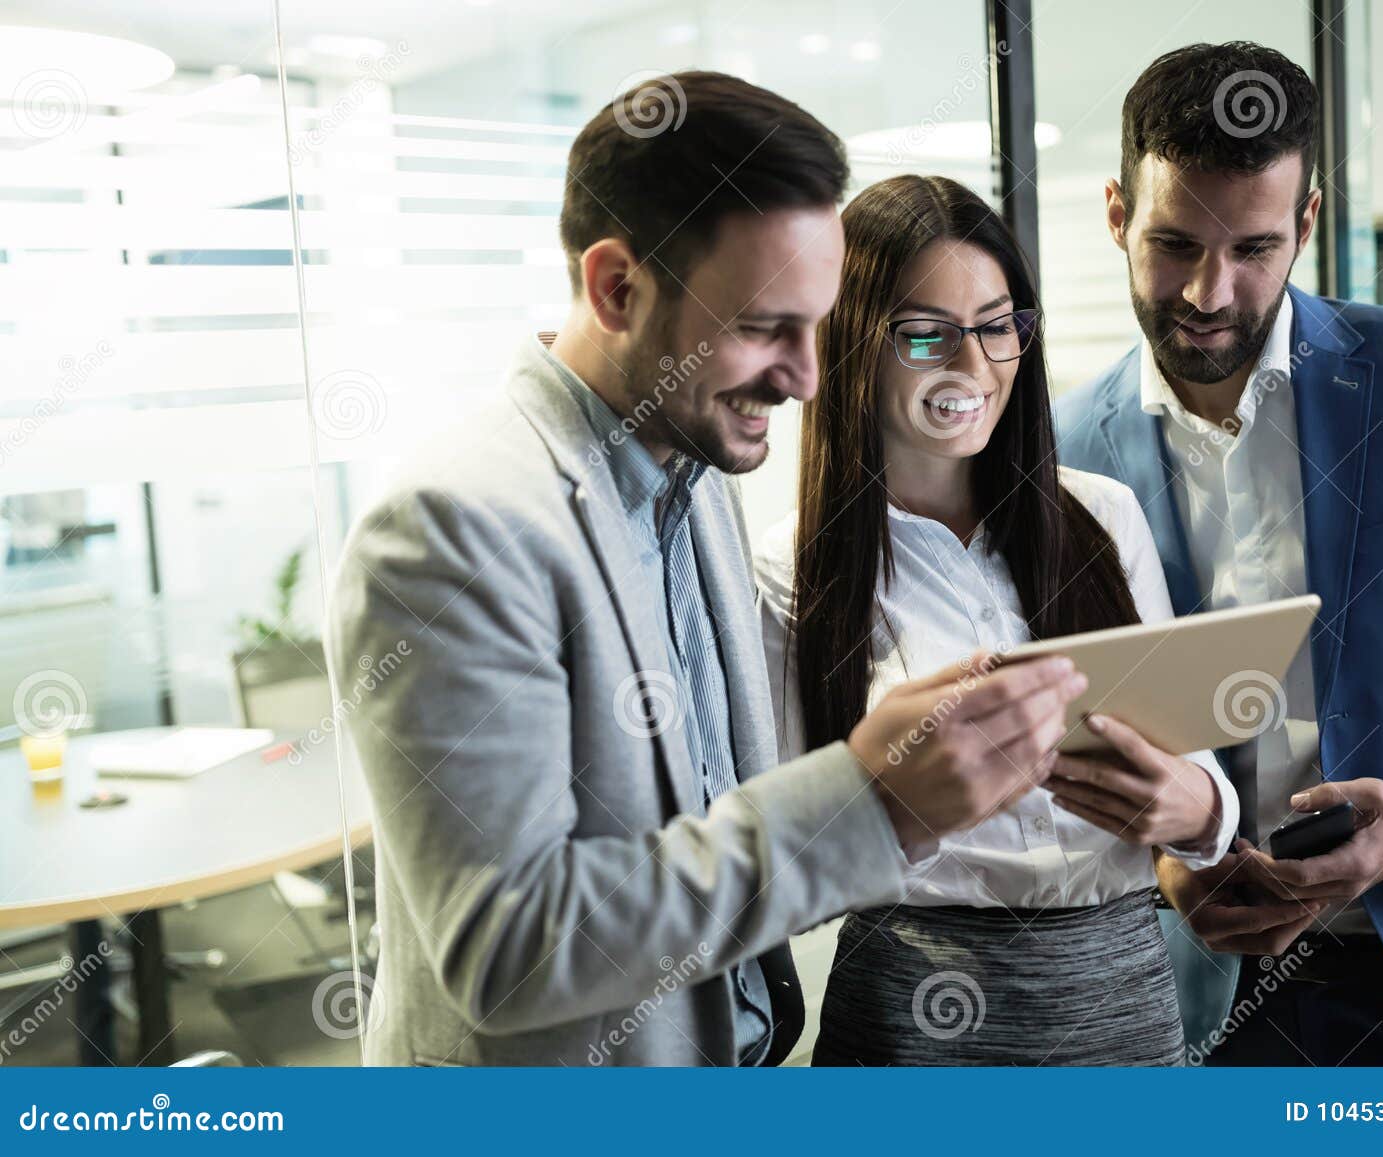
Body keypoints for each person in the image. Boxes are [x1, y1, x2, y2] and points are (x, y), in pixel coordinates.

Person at [327, 72, 1085, 1067]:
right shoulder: (452, 528)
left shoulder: (695, 477)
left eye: (816, 327)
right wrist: (869, 799)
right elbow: (509, 950)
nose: (808, 378)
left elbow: (711, 829)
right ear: (615, 287)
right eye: (766, 326)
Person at [1055, 41, 1383, 1065]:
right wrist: (1167, 856)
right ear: (1116, 214)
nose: (1209, 294)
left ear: (1304, 225)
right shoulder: (1055, 451)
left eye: (1252, 249)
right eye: (1174, 243)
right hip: (1201, 1001)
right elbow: (1065, 721)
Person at [755, 175, 1238, 1065]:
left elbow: (1198, 782)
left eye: (997, 324)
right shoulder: (788, 571)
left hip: (1123, 1001)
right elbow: (788, 871)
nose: (974, 369)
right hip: (915, 1017)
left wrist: (1197, 805)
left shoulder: (1102, 516)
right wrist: (904, 794)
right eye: (926, 333)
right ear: (854, 341)